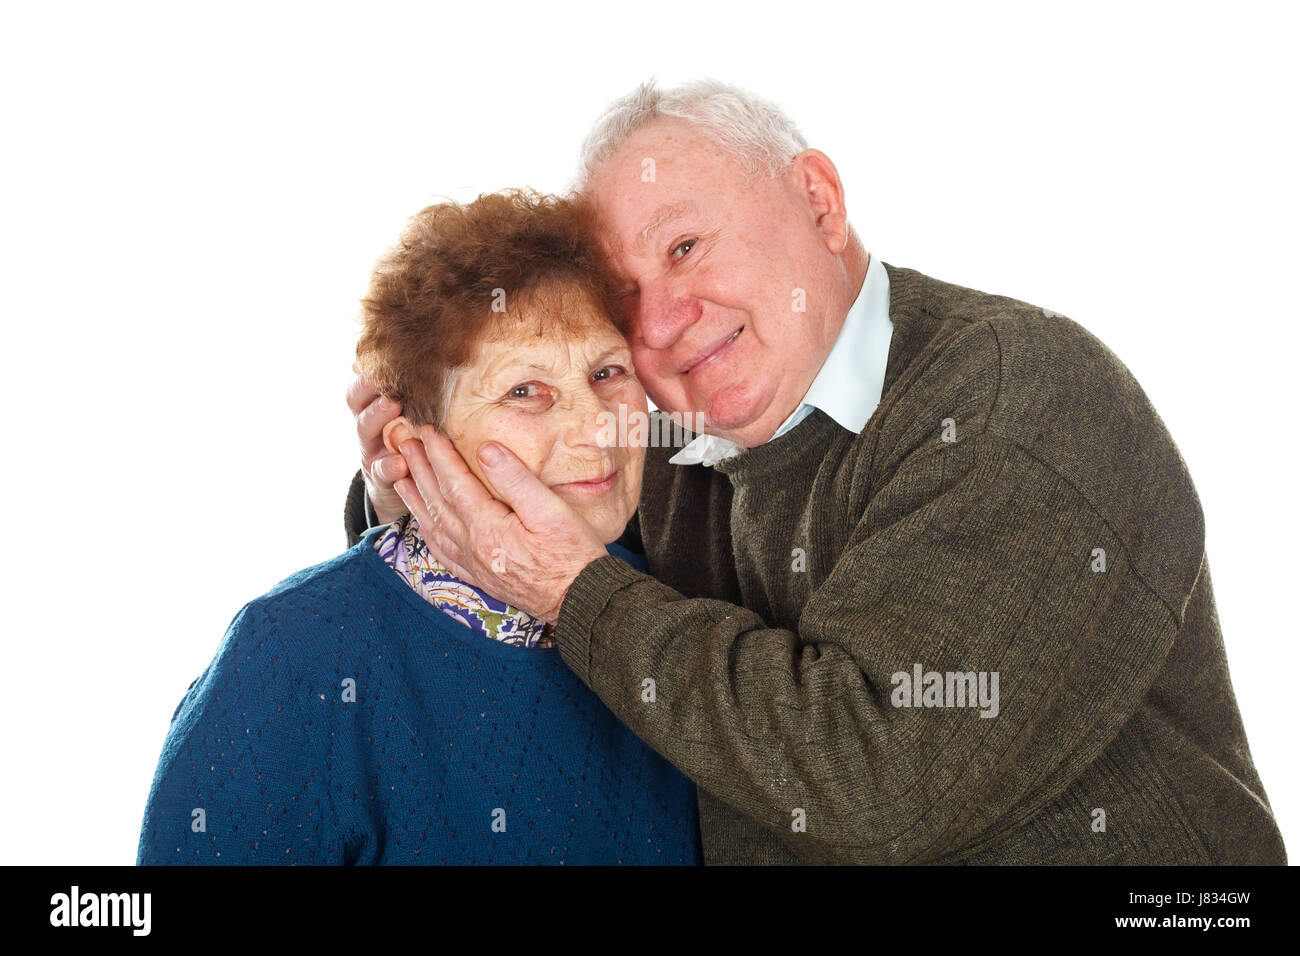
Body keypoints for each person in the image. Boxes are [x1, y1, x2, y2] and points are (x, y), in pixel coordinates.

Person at [345, 79, 1287, 865]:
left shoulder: (1012, 395)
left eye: (685, 247)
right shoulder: (673, 435)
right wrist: (414, 498)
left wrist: (570, 586)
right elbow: (525, 614)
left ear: (820, 201)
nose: (665, 319)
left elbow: (878, 782)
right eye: (626, 296)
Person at [139, 189, 701, 865]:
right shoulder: (290, 658)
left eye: (607, 372)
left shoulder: (672, 625)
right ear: (412, 445)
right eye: (525, 391)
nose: (597, 424)